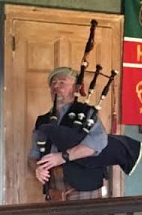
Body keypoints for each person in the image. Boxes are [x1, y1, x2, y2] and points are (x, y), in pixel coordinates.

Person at [29, 66, 110, 200]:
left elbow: (99, 141)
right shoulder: (43, 121)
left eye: (62, 82)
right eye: (53, 83)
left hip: (85, 188)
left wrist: (63, 157)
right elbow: (34, 154)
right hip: (54, 189)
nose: (56, 86)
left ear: (76, 88)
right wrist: (37, 169)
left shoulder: (87, 113)